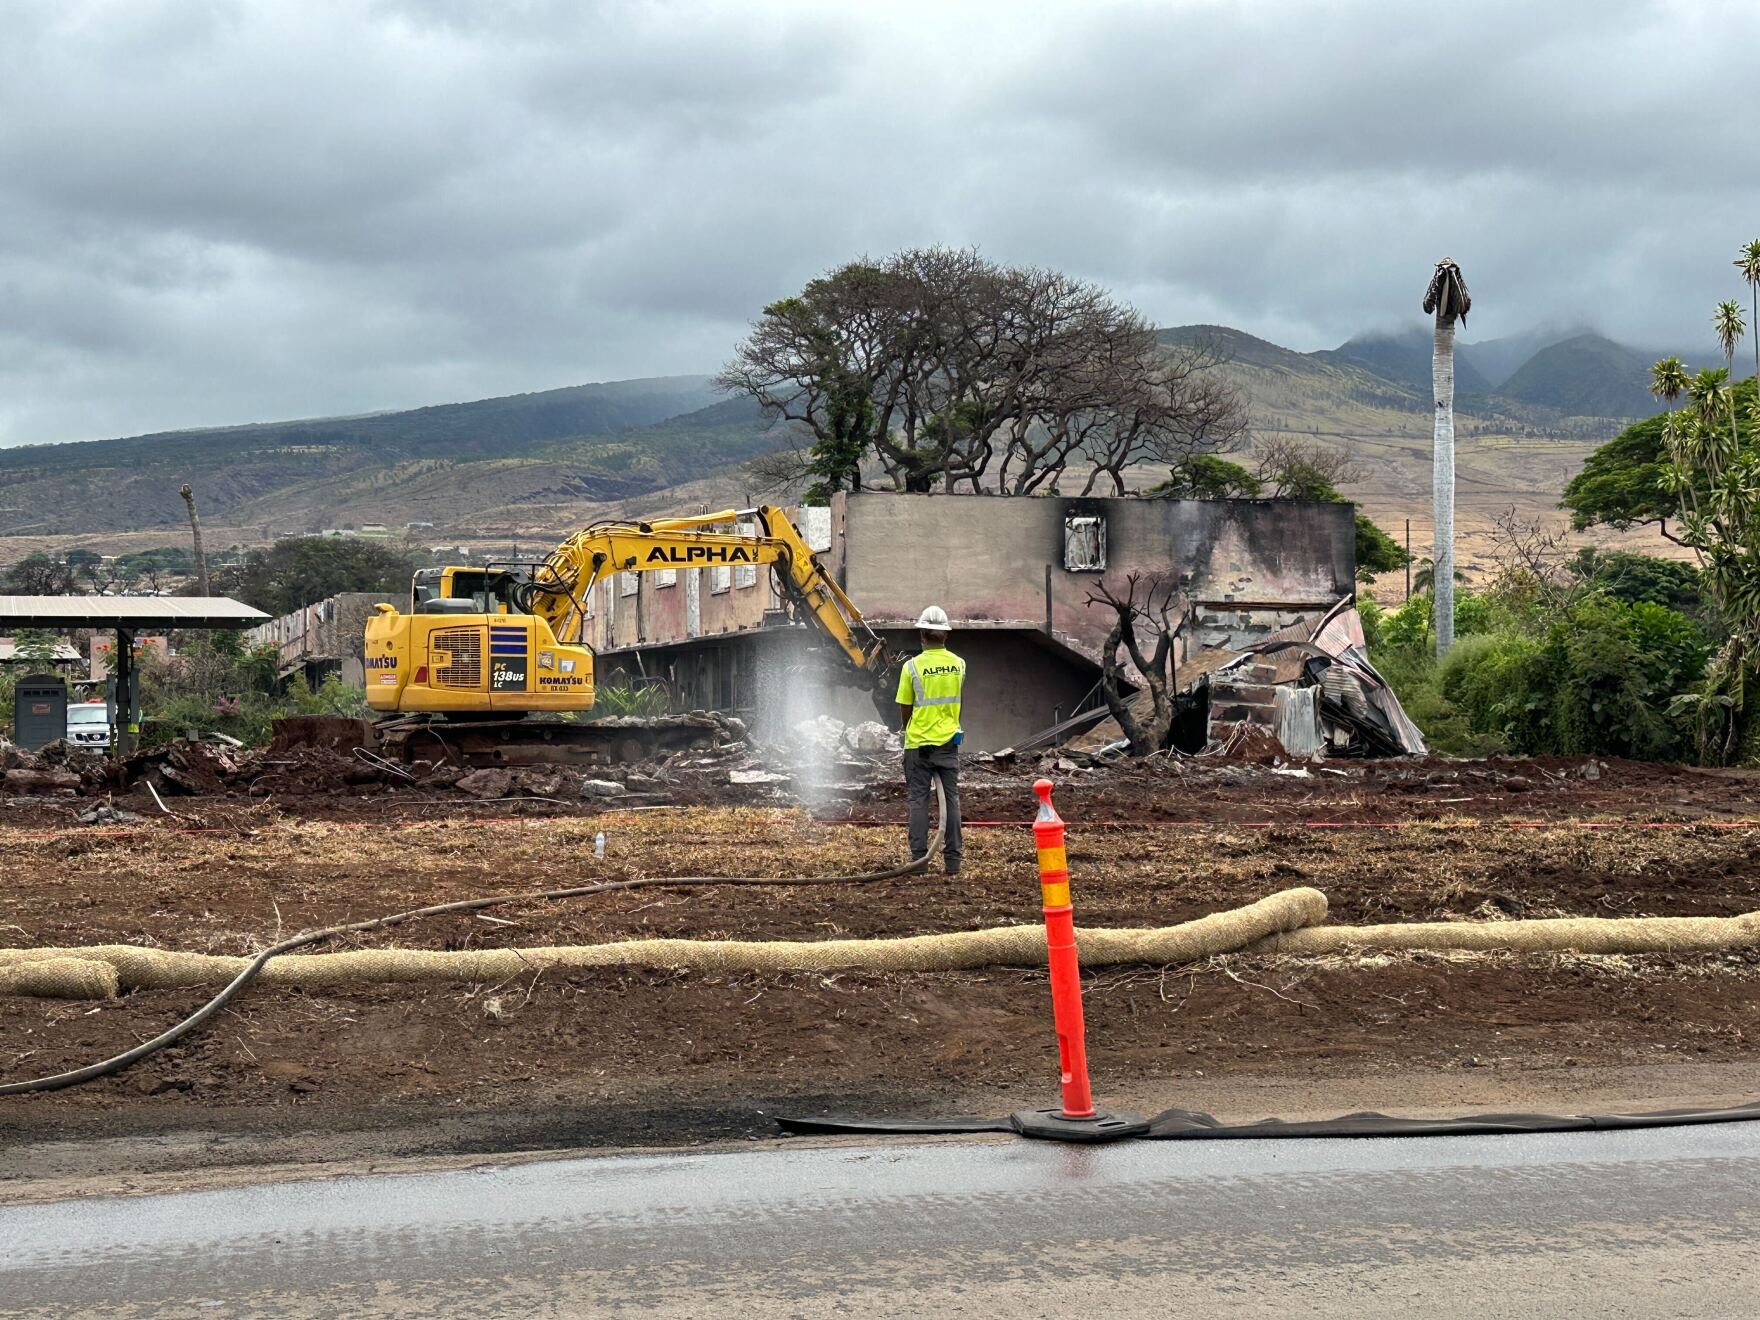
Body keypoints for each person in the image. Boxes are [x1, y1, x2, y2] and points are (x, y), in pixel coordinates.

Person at [896, 604, 965, 874]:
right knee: (951, 800)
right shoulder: (959, 664)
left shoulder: (911, 668)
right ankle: (953, 862)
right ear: (945, 635)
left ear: (922, 634)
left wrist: (907, 728)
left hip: (918, 744)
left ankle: (918, 862)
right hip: (948, 742)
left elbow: (905, 705)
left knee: (918, 800)